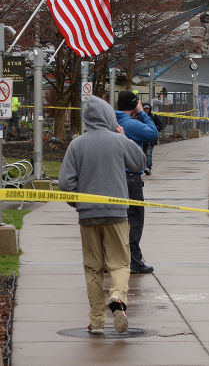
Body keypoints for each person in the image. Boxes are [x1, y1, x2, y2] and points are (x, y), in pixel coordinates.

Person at [58, 96, 146, 334]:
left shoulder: (76, 145)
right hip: (117, 214)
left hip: (88, 216)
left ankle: (97, 320)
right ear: (108, 117)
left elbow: (65, 184)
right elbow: (140, 162)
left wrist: (79, 203)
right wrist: (123, 135)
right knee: (119, 263)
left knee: (93, 268)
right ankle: (117, 299)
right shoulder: (118, 141)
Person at [114, 90, 157, 274]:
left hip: (112, 175)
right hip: (130, 176)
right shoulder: (130, 124)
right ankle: (133, 260)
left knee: (115, 219)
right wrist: (142, 112)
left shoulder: (110, 122)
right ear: (134, 105)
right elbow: (152, 133)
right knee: (135, 219)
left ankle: (112, 258)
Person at [140, 103, 165, 175]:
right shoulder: (139, 117)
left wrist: (154, 129)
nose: (146, 110)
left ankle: (148, 167)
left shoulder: (154, 116)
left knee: (148, 153)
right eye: (144, 109)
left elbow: (160, 125)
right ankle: (143, 167)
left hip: (151, 139)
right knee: (142, 153)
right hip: (142, 138)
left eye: (147, 109)